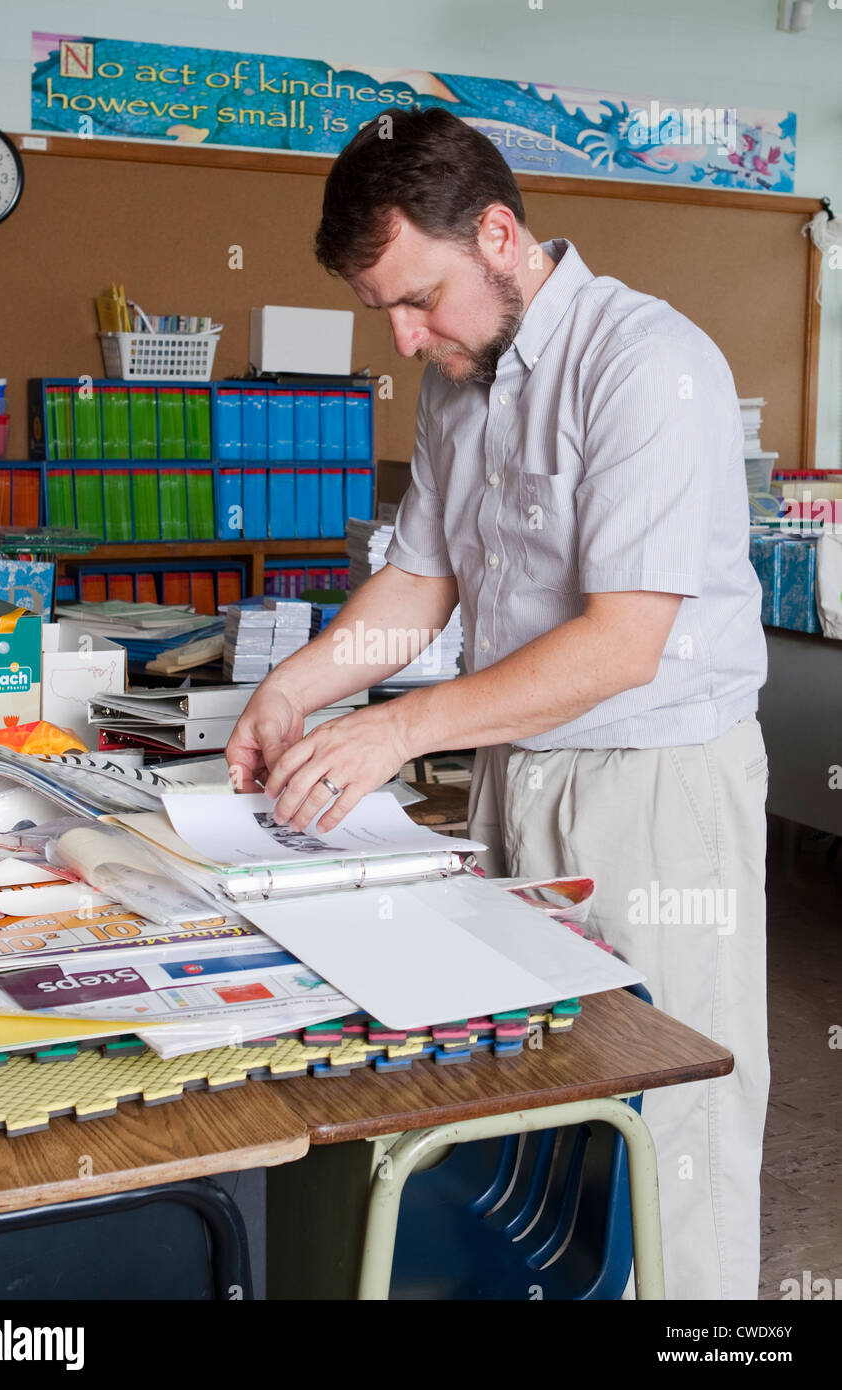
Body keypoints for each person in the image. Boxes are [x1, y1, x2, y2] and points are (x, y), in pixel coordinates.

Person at [225, 106, 769, 1301]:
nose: (411, 337)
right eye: (388, 314)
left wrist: (399, 726)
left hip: (652, 790)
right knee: (537, 1105)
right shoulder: (464, 378)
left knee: (669, 1128)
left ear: (500, 231)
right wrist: (297, 685)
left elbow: (624, 643)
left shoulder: (647, 364)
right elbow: (422, 582)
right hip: (511, 768)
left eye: (420, 299)